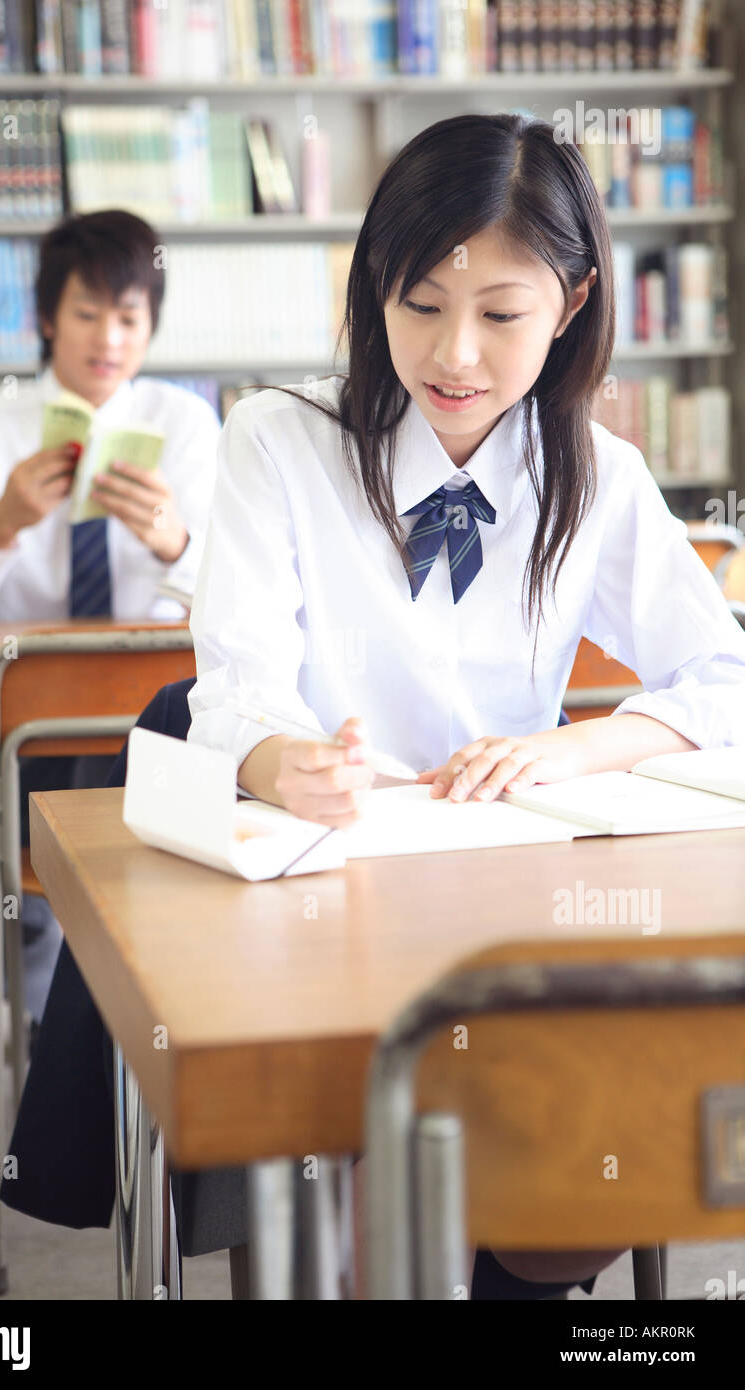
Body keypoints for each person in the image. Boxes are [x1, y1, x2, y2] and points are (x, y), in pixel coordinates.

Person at [184, 112, 745, 1297]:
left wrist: (574, 745)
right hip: (325, 900)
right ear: (370, 286)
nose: (455, 354)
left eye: (501, 314)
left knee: (582, 1164)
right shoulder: (275, 444)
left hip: (510, 898)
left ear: (575, 301)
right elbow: (231, 692)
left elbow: (725, 680)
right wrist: (287, 761)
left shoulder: (593, 474)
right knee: (382, 1167)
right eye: (419, 303)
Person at [0, 209, 220, 1026]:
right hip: (27, 723)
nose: (108, 338)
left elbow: (232, 594)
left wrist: (175, 543)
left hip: (148, 713)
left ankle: (112, 1006)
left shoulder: (185, 425)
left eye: (130, 317)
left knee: (133, 763)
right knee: (90, 797)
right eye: (87, 312)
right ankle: (81, 1006)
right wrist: (0, 525)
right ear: (47, 317)